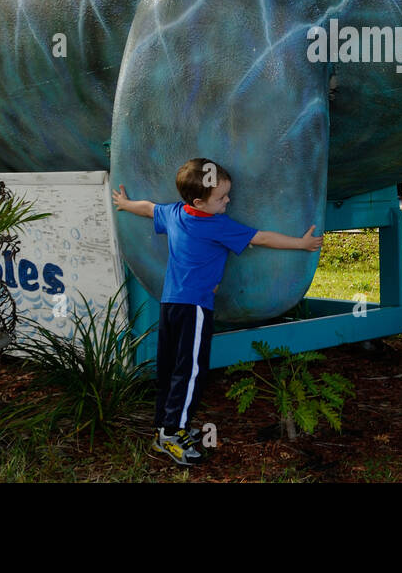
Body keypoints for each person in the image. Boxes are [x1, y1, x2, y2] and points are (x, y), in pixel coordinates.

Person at [112, 158, 323, 466]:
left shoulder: (174, 213)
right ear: (199, 202)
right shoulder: (218, 225)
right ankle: (172, 435)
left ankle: (166, 428)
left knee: (171, 368)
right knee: (191, 371)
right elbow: (261, 237)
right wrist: (301, 244)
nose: (228, 201)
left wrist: (126, 204)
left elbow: (149, 208)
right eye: (222, 198)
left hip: (170, 304)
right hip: (194, 308)